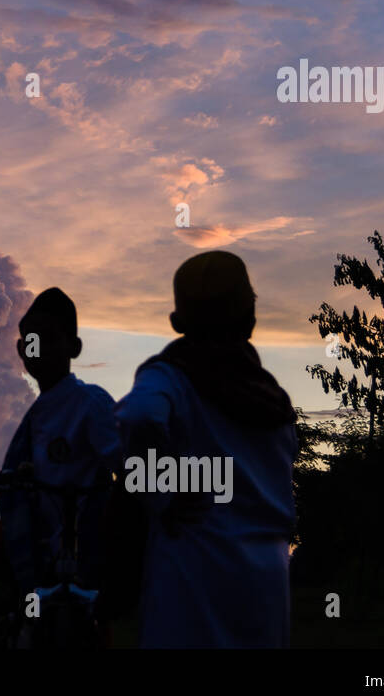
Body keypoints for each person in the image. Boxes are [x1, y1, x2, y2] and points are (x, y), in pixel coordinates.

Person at [115, 250, 298, 648]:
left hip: (197, 571)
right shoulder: (271, 396)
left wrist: (159, 491)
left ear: (177, 322)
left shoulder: (171, 376)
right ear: (249, 316)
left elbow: (138, 418)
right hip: (267, 578)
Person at [0, 288, 123, 647]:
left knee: (91, 608)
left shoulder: (90, 403)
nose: (36, 349)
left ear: (74, 348)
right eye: (28, 342)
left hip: (78, 537)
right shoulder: (38, 413)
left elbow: (125, 464)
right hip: (33, 531)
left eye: (48, 339)